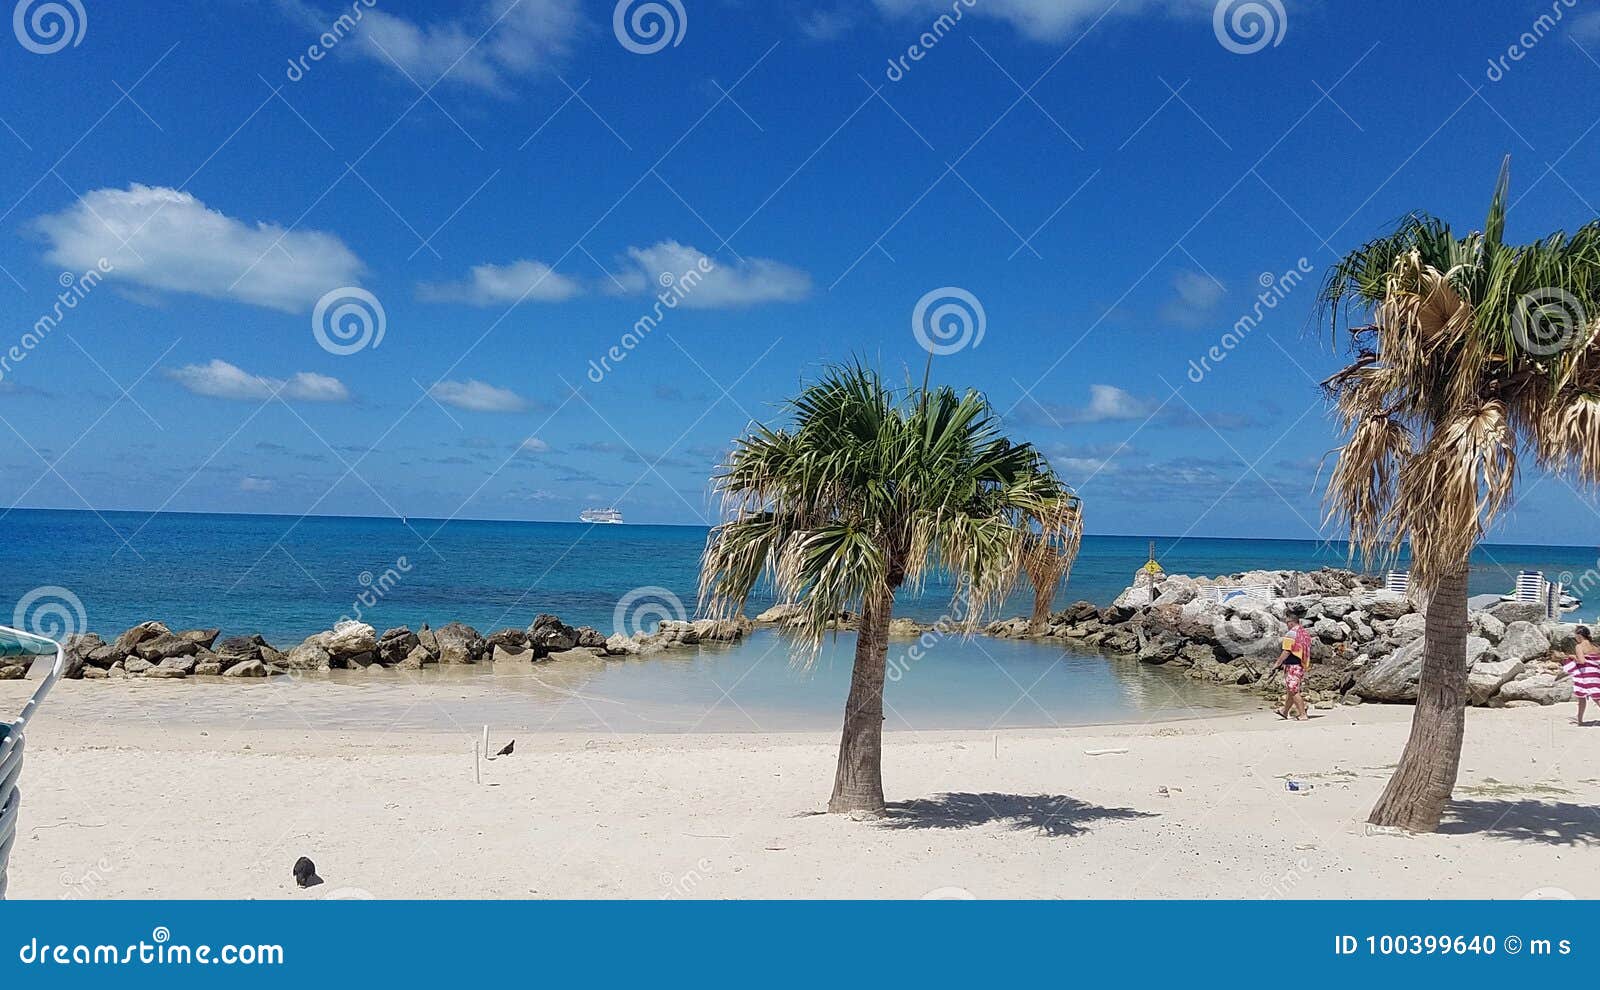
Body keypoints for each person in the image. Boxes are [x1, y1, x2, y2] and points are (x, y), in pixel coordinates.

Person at [1268, 611, 1313, 721]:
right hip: (1300, 664)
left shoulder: (1291, 634)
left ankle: (1303, 714)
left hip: (1292, 665)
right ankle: (1284, 711)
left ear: (1291, 622)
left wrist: (1277, 664)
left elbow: (1287, 651)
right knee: (1290, 690)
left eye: (1287, 622)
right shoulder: (1304, 633)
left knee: (1293, 691)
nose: (1286, 625)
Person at [1558, 626, 1600, 726]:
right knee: (1595, 696)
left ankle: (1580, 719)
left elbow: (1582, 661)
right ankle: (1579, 718)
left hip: (1586, 675)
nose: (1575, 637)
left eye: (1575, 635)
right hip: (1595, 673)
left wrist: (1573, 657)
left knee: (1587, 697)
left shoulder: (1579, 646)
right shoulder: (1595, 646)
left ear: (1579, 635)